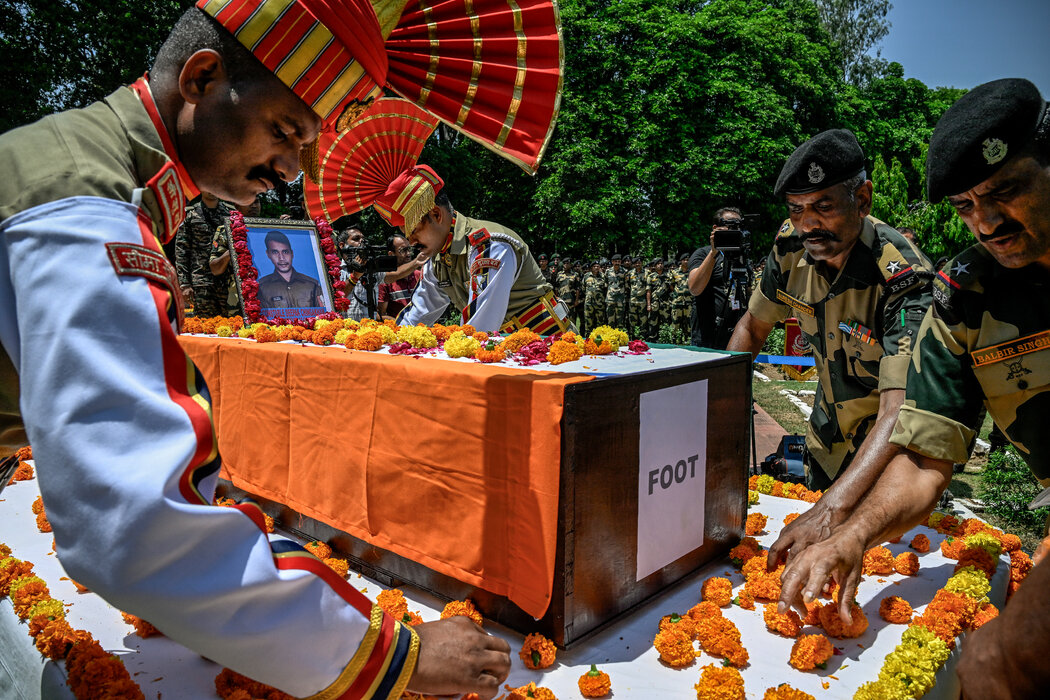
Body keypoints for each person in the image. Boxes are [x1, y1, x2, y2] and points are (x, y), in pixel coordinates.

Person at [0, 3, 514, 698]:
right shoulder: (85, 203)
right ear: (203, 78)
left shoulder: (94, 163)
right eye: (285, 131)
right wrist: (400, 655)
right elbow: (136, 526)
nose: (294, 170)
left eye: (306, 146)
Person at [772, 79, 1050, 698]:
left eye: (1005, 192)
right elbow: (926, 455)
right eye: (965, 205)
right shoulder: (969, 297)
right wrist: (852, 536)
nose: (987, 223)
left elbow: (894, 407)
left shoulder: (907, 275)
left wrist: (1017, 646)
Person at [727, 128, 933, 505]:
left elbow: (898, 407)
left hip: (888, 459)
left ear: (863, 199)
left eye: (824, 206)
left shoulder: (902, 278)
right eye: (796, 208)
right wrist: (720, 410)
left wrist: (833, 507)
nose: (808, 224)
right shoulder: (790, 247)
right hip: (826, 445)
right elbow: (753, 328)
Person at [385, 167, 572, 334]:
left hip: (551, 350)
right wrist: (395, 342)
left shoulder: (488, 245)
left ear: (436, 214)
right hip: (504, 351)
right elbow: (419, 312)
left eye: (414, 231)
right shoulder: (437, 259)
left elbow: (481, 325)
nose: (411, 241)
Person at [688, 207, 742, 349]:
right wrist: (714, 252)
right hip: (707, 337)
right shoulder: (702, 254)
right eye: (729, 226)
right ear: (715, 228)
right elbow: (694, 288)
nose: (733, 230)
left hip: (735, 337)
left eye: (737, 226)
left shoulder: (741, 258)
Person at [175, 190, 231, 317]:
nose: (212, 190)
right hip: (201, 282)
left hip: (226, 281)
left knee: (232, 325)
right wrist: (184, 284)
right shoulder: (190, 215)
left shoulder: (229, 214)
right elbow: (181, 251)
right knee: (206, 327)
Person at [209, 195, 261, 317]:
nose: (254, 205)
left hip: (270, 299)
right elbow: (214, 269)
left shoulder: (269, 229)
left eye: (257, 202)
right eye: (250, 201)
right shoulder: (225, 230)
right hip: (239, 301)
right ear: (237, 205)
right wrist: (231, 252)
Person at [256, 229, 325, 311]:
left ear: (291, 253)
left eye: (285, 252)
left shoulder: (312, 284)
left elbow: (322, 316)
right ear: (268, 254)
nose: (281, 258)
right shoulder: (261, 287)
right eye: (275, 252)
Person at [377, 233, 425, 319]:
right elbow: (381, 315)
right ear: (391, 254)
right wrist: (403, 324)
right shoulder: (385, 281)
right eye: (403, 250)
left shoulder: (420, 275)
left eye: (409, 249)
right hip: (399, 330)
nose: (408, 254)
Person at [669, 253, 692, 342]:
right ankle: (674, 340)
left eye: (688, 260)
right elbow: (671, 285)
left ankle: (688, 340)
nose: (686, 261)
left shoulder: (691, 271)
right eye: (684, 260)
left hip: (689, 301)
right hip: (677, 302)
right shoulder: (674, 272)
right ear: (681, 261)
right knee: (675, 323)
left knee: (688, 323)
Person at [646, 257, 670, 341]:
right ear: (655, 266)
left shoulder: (668, 275)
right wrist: (648, 305)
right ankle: (652, 339)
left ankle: (664, 338)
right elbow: (648, 291)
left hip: (665, 302)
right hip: (655, 303)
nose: (660, 265)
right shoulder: (651, 276)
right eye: (658, 264)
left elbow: (672, 289)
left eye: (661, 263)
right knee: (653, 322)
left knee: (665, 321)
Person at [554, 257, 581, 329]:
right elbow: (556, 288)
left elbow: (578, 288)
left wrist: (576, 300)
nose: (566, 265)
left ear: (571, 265)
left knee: (572, 321)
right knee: (561, 320)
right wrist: (556, 299)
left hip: (571, 301)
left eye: (567, 263)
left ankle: (572, 336)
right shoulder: (559, 274)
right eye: (564, 263)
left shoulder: (575, 275)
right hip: (561, 301)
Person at [626, 256, 648, 338]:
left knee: (643, 320)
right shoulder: (630, 273)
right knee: (632, 320)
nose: (638, 264)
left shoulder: (647, 272)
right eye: (636, 263)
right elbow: (627, 286)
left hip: (643, 300)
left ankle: (643, 337)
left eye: (639, 262)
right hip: (633, 300)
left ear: (642, 263)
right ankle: (633, 337)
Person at [583, 260, 606, 335]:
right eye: (594, 266)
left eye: (597, 266)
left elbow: (606, 288)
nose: (596, 268)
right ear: (591, 268)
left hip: (600, 304)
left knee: (600, 323)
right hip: (589, 303)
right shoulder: (586, 276)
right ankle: (588, 339)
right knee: (588, 322)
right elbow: (583, 288)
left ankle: (600, 339)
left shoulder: (603, 276)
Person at [604, 253, 628, 328]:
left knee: (620, 320)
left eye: (619, 261)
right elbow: (605, 284)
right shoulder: (608, 271)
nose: (617, 263)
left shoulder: (625, 271)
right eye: (615, 261)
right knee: (610, 320)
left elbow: (626, 285)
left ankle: (620, 337)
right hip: (610, 299)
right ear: (612, 262)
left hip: (620, 299)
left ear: (620, 262)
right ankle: (610, 337)